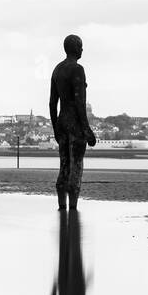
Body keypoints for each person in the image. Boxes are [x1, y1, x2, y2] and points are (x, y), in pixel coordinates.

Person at [49, 34, 96, 211]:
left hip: (61, 122)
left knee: (64, 165)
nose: (82, 49)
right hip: (75, 124)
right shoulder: (77, 69)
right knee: (76, 165)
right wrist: (87, 129)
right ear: (74, 48)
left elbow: (52, 103)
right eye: (81, 46)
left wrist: (55, 127)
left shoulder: (57, 70)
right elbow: (79, 103)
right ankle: (73, 209)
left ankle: (62, 207)